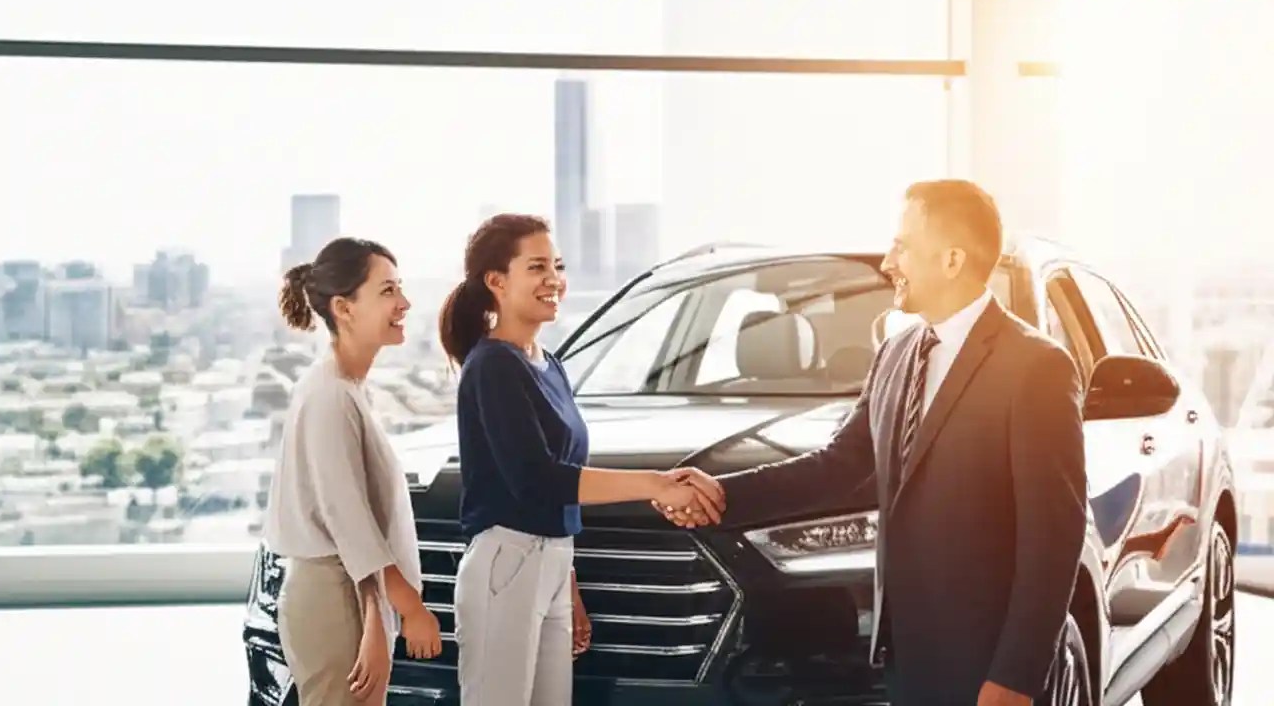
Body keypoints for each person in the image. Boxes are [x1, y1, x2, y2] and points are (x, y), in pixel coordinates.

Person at [659, 180, 1087, 706]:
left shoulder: (1035, 367)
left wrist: (1016, 677)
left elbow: (1054, 539)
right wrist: (720, 495)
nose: (888, 262)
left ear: (952, 259)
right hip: (909, 657)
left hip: (987, 666)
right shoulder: (897, 353)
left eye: (902, 245)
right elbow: (838, 466)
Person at [438, 213, 725, 706]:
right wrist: (656, 484)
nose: (554, 280)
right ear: (496, 281)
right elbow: (539, 481)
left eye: (559, 266)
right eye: (537, 267)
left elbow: (559, 481)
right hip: (506, 563)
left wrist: (566, 586)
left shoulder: (549, 365)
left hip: (551, 561)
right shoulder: (492, 366)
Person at [263, 237, 443, 706]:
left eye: (400, 288)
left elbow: (355, 526)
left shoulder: (347, 388)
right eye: (387, 291)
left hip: (349, 594)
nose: (404, 303)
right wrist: (410, 610)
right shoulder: (330, 396)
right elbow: (350, 526)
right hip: (329, 597)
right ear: (344, 308)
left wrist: (375, 618)